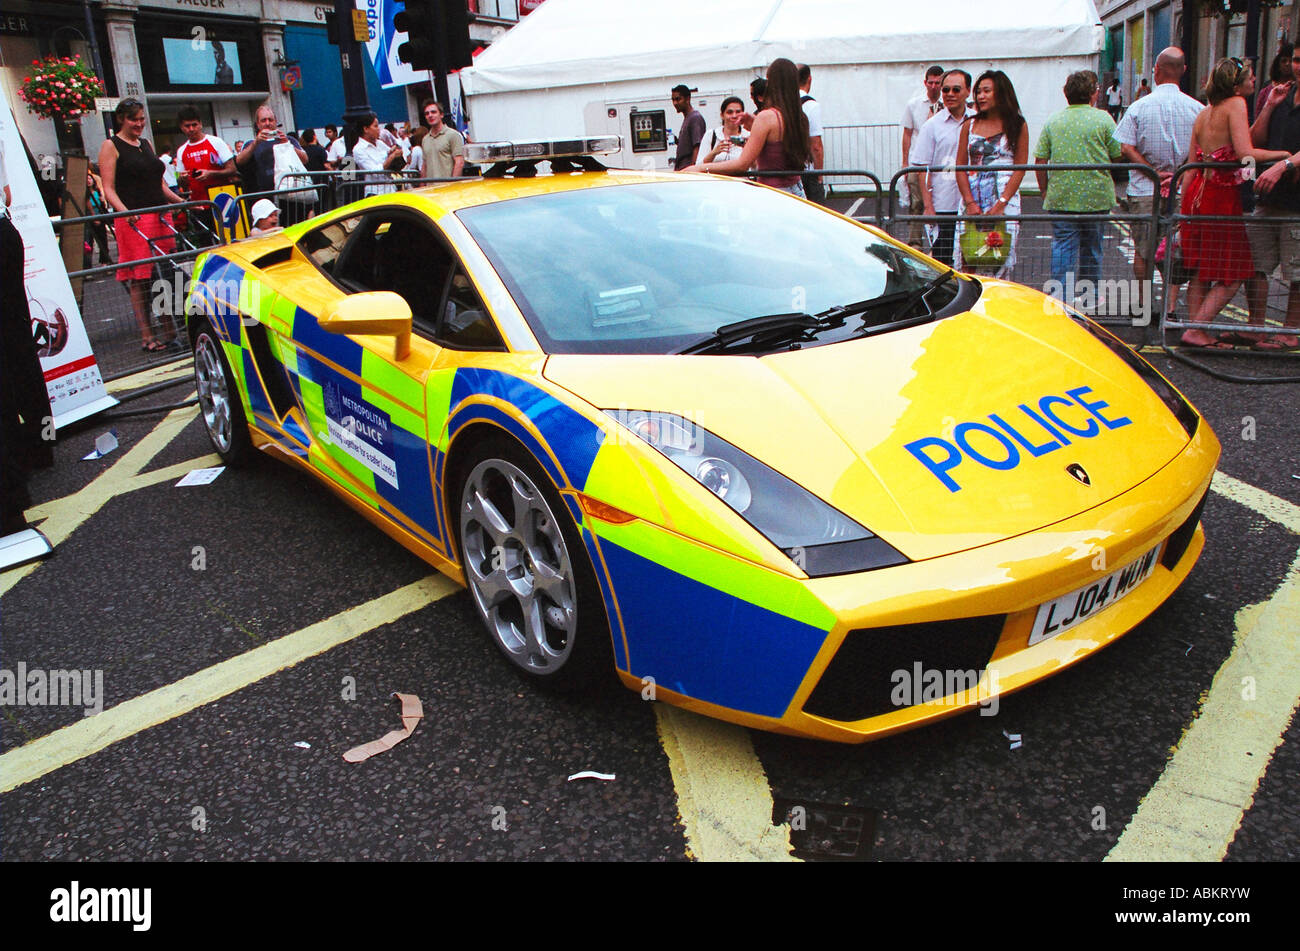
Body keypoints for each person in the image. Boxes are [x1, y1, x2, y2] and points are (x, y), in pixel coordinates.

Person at [1177, 58, 1290, 348]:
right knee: (1235, 269)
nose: (1255, 81)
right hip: (1220, 196)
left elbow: (1192, 164)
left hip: (1197, 193)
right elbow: (1244, 152)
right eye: (1251, 77)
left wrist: (1182, 211)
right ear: (1236, 84)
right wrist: (1285, 155)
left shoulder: (1205, 112)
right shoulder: (1237, 104)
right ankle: (1197, 330)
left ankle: (1195, 329)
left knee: (1202, 269)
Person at [1114, 47, 1204, 318]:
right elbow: (1200, 151)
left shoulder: (1139, 107)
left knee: (1143, 250)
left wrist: (1152, 170)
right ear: (1184, 70)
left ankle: (1143, 307)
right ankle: (1170, 308)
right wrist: (1178, 172)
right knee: (1174, 250)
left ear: (1156, 70)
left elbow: (1125, 148)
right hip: (1181, 188)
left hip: (1144, 188)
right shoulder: (1197, 109)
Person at [97, 97, 185, 351]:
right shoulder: (110, 145)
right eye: (134, 119)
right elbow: (108, 188)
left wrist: (181, 202)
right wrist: (125, 212)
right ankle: (147, 335)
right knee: (140, 277)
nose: (139, 124)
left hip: (158, 215)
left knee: (163, 274)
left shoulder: (144, 143)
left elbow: (158, 183)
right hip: (134, 219)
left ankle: (169, 328)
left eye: (141, 119)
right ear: (121, 120)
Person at [1, 131, 55, 535]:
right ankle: (37, 445)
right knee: (18, 342)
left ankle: (11, 483)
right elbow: (5, 194)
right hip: (4, 236)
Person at [1034, 71, 1122, 305]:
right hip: (1096, 195)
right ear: (1093, 93)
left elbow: (1040, 159)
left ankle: (1059, 295)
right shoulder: (1104, 119)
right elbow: (1117, 154)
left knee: (1063, 245)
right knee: (1092, 248)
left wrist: (1044, 190)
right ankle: (1090, 295)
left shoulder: (1053, 121)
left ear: (1066, 94)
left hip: (1062, 195)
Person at [683, 58, 810, 198]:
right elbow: (779, 141)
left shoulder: (767, 117)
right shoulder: (799, 117)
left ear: (772, 82)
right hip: (797, 190)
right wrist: (755, 124)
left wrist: (701, 168)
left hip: (774, 193)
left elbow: (742, 164)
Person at [1242, 47, 1300, 350]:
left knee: (1297, 273)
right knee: (1254, 264)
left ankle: (1290, 332)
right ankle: (1256, 327)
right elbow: (1255, 140)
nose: (1298, 67)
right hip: (1268, 196)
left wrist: (1285, 164)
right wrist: (1269, 105)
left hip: (1296, 202)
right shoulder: (1282, 95)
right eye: (1297, 60)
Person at [954, 70, 1028, 278]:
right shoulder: (969, 125)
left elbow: (1020, 167)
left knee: (999, 255)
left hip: (1004, 200)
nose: (980, 96)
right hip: (972, 201)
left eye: (986, 91)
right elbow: (960, 166)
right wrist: (969, 202)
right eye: (978, 92)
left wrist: (1002, 202)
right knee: (969, 256)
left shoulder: (1018, 125)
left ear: (1002, 93)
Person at [909, 69, 973, 267]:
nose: (950, 94)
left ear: (968, 91)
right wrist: (928, 206)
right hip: (943, 204)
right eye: (946, 90)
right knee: (943, 262)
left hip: (971, 203)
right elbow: (921, 168)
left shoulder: (977, 122)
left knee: (972, 259)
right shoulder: (932, 126)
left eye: (956, 89)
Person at [236, 104, 311, 224]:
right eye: (263, 120)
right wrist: (256, 143)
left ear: (275, 121)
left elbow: (305, 159)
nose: (267, 123)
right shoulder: (251, 142)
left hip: (290, 196)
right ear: (257, 124)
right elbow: (239, 161)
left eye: (270, 120)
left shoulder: (289, 139)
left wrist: (287, 144)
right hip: (265, 197)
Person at [174, 104, 236, 245]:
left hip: (221, 202)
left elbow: (232, 169)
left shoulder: (216, 142)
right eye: (187, 126)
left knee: (229, 242)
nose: (191, 129)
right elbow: (182, 183)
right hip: (200, 206)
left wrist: (211, 174)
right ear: (181, 127)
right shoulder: (181, 151)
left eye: (194, 125)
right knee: (206, 246)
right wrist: (182, 179)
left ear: (201, 124)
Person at [902, 65, 945, 248]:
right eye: (931, 82)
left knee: (943, 202)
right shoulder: (914, 104)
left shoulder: (949, 103)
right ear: (925, 82)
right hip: (917, 161)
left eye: (938, 82)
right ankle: (915, 243)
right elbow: (907, 133)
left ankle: (942, 243)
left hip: (942, 161)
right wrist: (905, 163)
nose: (934, 86)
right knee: (917, 202)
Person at [352, 112, 405, 195]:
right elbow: (374, 171)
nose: (378, 129)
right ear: (366, 129)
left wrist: (395, 153)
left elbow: (391, 153)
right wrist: (391, 156)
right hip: (375, 192)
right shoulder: (358, 149)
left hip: (390, 189)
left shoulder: (380, 143)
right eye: (375, 126)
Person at [798, 63, 826, 203]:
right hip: (807, 170)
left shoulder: (780, 104)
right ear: (809, 79)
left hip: (787, 169)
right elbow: (816, 145)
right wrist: (819, 175)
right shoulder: (811, 105)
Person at [699, 97, 749, 166]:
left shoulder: (748, 136)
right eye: (730, 112)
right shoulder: (711, 135)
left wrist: (747, 149)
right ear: (722, 115)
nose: (734, 116)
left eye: (738, 112)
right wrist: (714, 153)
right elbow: (698, 165)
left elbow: (756, 167)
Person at [420, 100, 465, 178]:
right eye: (427, 114)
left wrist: (453, 185)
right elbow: (424, 165)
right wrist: (422, 186)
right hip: (430, 188)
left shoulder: (453, 135)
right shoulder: (425, 139)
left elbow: (459, 162)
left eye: (433, 112)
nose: (430, 115)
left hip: (447, 188)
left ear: (441, 115)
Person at [671, 84, 707, 171]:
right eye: (673, 100)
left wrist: (694, 171)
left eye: (678, 99)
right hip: (682, 170)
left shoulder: (695, 118)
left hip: (689, 171)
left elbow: (697, 146)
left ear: (688, 99)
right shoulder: (688, 118)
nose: (675, 103)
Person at [1254, 42, 1293, 118]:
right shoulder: (1267, 88)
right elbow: (1258, 115)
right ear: (1278, 64)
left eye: (1291, 61)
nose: (1287, 64)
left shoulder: (1296, 88)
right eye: (1284, 61)